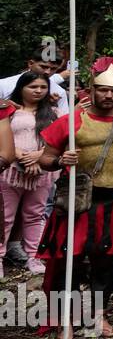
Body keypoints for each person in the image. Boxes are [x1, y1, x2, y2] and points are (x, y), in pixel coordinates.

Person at [35, 58, 113, 339]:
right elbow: (45, 158)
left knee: (106, 261)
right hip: (79, 201)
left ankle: (99, 317)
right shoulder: (72, 121)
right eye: (102, 90)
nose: (108, 96)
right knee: (69, 262)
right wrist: (60, 160)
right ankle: (66, 326)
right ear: (92, 90)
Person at [1, 72, 57, 275]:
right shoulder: (8, 110)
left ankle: (34, 257)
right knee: (4, 217)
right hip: (10, 170)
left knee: (35, 215)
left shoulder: (52, 113)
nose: (38, 91)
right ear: (21, 87)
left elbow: (57, 141)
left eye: (43, 87)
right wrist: (22, 157)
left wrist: (38, 156)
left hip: (41, 172)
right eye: (33, 87)